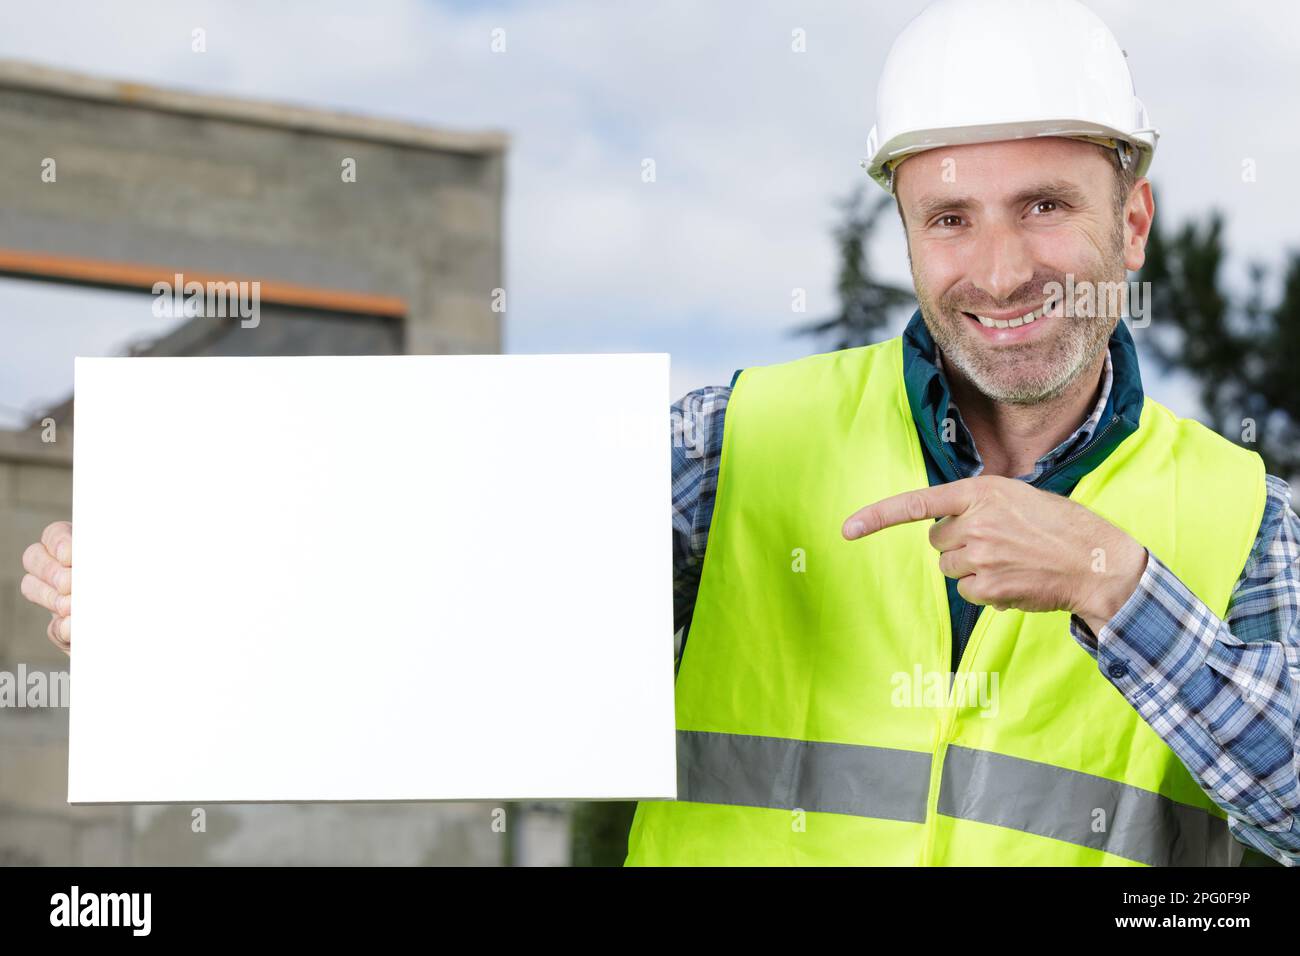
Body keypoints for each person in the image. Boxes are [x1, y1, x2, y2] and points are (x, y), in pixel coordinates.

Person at [19, 0, 1298, 866]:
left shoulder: (1245, 513)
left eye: (1044, 206)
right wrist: (178, 598)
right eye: (950, 218)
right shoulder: (736, 439)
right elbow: (460, 600)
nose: (1001, 266)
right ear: (905, 235)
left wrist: (1111, 585)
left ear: (1131, 226)